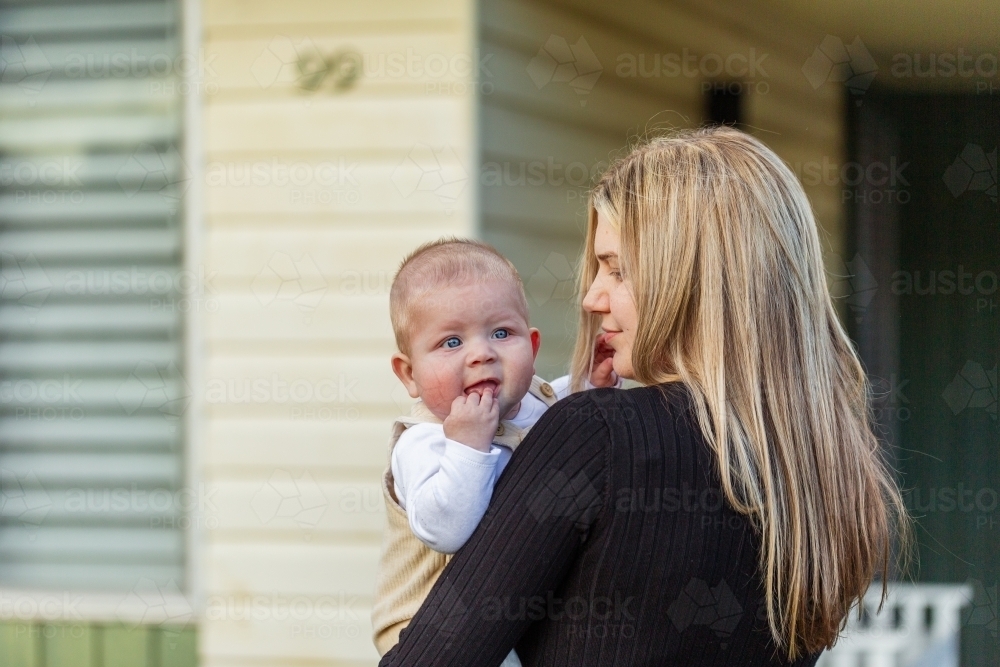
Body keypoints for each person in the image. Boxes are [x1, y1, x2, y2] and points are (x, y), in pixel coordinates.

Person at [378, 127, 910, 666]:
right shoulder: (818, 469)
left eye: (617, 270)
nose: (592, 296)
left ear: (691, 278)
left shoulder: (597, 436)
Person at [371, 239, 618, 665]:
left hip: (503, 614)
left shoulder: (535, 406)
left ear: (533, 347)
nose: (482, 353)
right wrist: (467, 446)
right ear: (409, 374)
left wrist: (590, 382)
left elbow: (559, 420)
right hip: (426, 628)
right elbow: (447, 531)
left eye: (501, 333)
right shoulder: (422, 443)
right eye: (451, 343)